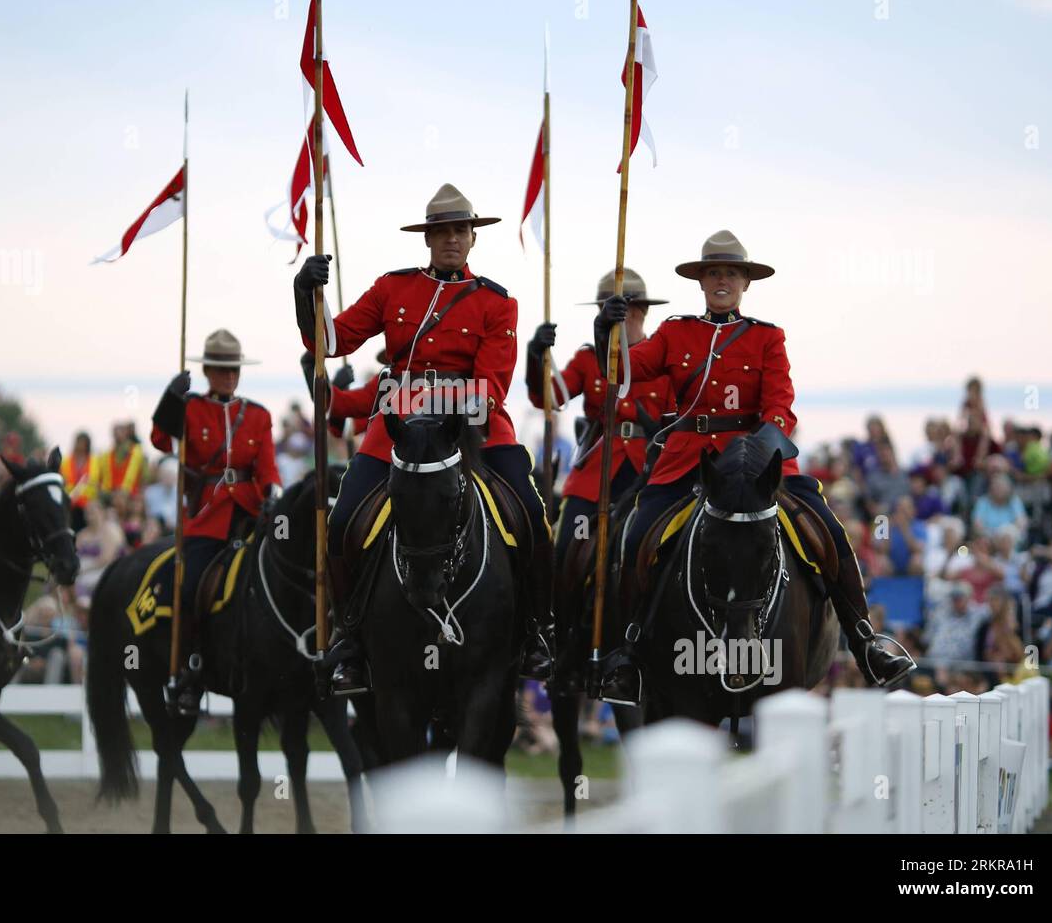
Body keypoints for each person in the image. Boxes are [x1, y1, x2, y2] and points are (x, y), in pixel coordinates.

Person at [595, 231, 915, 703]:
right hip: (689, 461)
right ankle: (629, 654)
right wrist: (608, 331)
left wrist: (761, 450)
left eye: (731, 273)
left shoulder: (767, 337)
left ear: (745, 282)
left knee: (825, 526)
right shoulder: (675, 333)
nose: (722, 280)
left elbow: (780, 406)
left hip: (753, 459)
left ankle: (864, 637)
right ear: (701, 281)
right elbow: (624, 371)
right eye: (713, 273)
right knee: (636, 532)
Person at [292, 183, 554, 695]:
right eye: (442, 231)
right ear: (428, 238)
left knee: (531, 515)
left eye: (461, 231)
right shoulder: (392, 288)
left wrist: (440, 408)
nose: (452, 240)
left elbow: (493, 388)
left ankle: (535, 632)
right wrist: (306, 294)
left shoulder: (498, 303)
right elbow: (331, 340)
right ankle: (348, 637)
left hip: (474, 428)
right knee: (343, 519)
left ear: (473, 239)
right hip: (397, 426)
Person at [151, 329, 281, 714]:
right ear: (207, 370)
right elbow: (161, 440)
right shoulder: (191, 409)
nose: (229, 376)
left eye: (234, 370)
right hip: (207, 517)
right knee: (189, 587)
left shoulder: (258, 415)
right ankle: (190, 667)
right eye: (222, 370)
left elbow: (268, 467)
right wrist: (169, 401)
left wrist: (272, 492)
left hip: (250, 513)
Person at [525, 269, 675, 572]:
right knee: (567, 542)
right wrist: (535, 356)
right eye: (604, 310)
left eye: (620, 309)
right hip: (597, 473)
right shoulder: (588, 360)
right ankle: (557, 618)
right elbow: (548, 398)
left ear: (640, 311)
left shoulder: (665, 363)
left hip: (648, 473)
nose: (611, 316)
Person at [60, 431, 100, 531]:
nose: (80, 445)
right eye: (79, 442)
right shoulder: (66, 461)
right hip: (70, 504)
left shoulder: (94, 461)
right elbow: (64, 480)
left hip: (87, 505)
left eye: (83, 443)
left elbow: (95, 482)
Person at [99, 421, 145, 500]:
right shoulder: (107, 455)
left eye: (121, 431)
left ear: (126, 433)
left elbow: (141, 476)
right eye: (115, 432)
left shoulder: (136, 451)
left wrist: (124, 491)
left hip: (130, 495)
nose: (117, 435)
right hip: (111, 493)